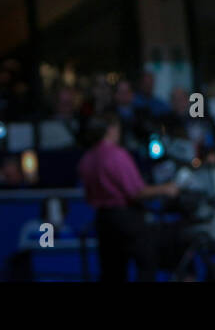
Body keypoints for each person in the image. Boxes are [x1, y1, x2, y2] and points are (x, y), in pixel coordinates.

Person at [77, 112, 179, 281]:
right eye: (117, 128)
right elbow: (136, 192)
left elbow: (88, 195)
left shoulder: (87, 158)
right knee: (147, 262)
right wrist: (166, 189)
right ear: (110, 129)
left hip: (103, 221)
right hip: (126, 219)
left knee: (112, 272)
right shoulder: (117, 155)